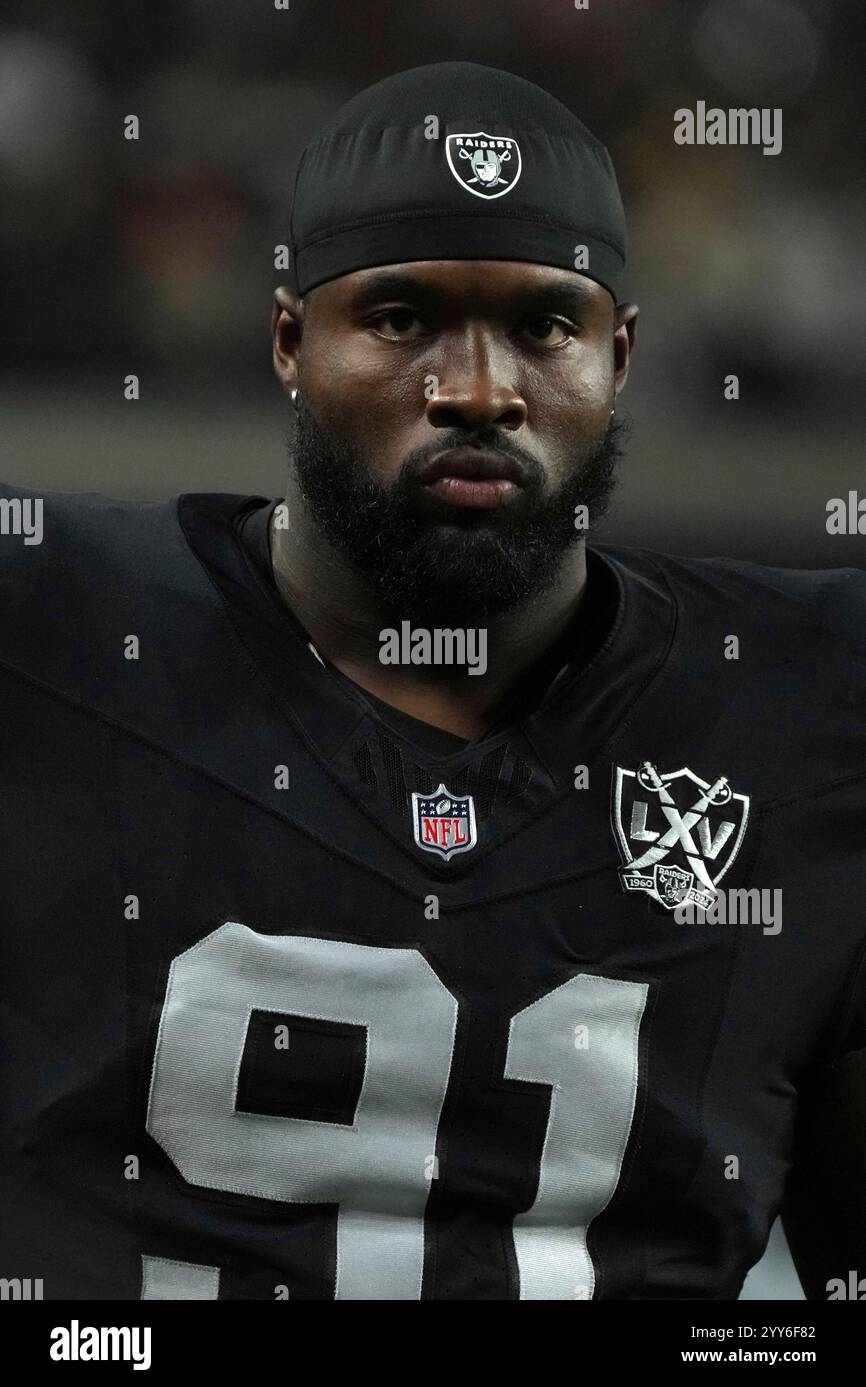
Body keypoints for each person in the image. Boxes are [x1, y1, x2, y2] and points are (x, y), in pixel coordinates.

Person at [1, 61, 863, 1302]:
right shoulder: (53, 626)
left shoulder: (807, 702)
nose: (475, 389)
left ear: (620, 356)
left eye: (543, 325)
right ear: (290, 338)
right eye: (402, 318)